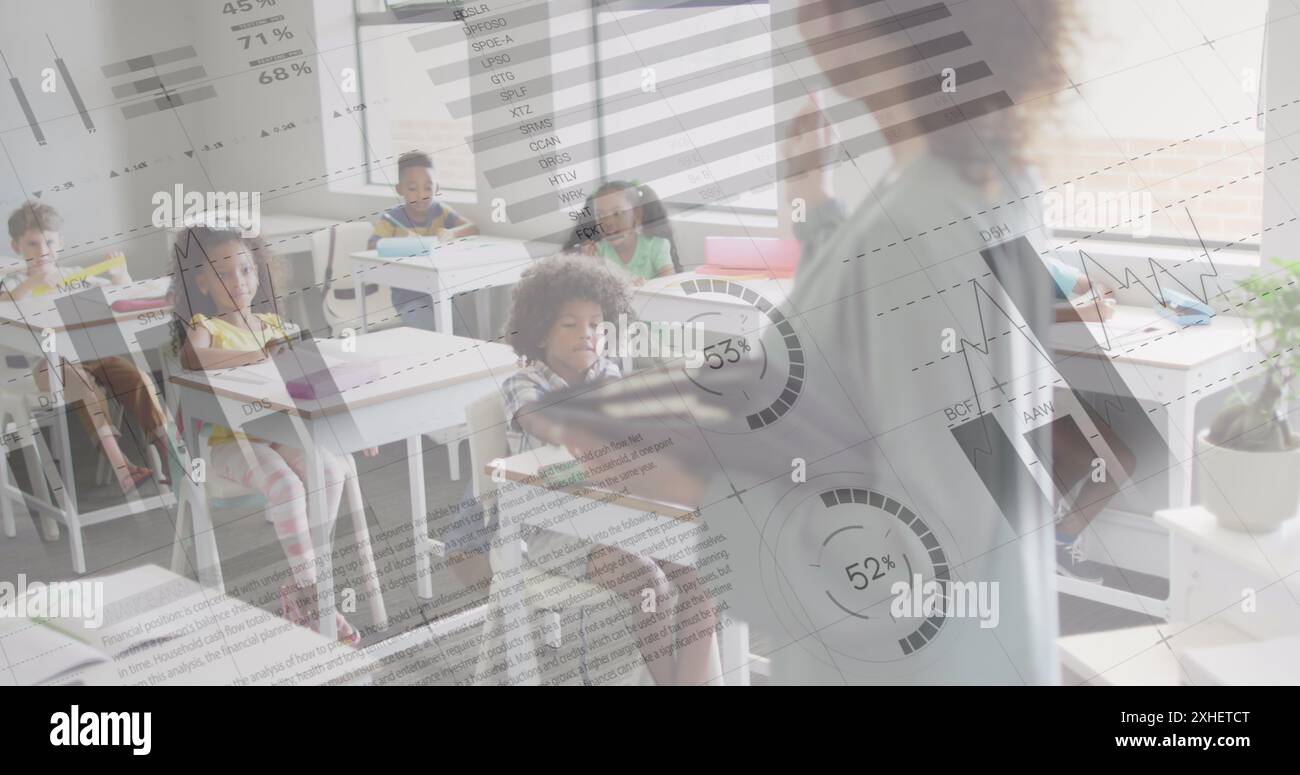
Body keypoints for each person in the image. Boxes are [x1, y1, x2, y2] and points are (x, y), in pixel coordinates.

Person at [562, 0, 1090, 685]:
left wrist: (696, 488)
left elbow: (913, 560)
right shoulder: (989, 178)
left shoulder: (914, 228)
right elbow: (864, 357)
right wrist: (814, 209)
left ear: (843, 24)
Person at [446, 255, 717, 685]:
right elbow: (537, 419)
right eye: (570, 324)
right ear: (539, 330)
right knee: (650, 583)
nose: (586, 335)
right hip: (546, 531)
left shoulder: (607, 374)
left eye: (595, 324)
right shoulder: (526, 383)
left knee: (704, 576)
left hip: (618, 515)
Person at [169, 226, 376, 645]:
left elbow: (312, 378)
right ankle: (316, 595)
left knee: (330, 471)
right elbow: (193, 356)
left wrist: (352, 429)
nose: (239, 282)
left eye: (246, 270)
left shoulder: (274, 324)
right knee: (285, 486)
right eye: (224, 274)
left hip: (278, 432)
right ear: (202, 282)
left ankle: (304, 586)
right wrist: (255, 354)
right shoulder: (205, 326)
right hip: (226, 443)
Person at [3, 202, 170, 493]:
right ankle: (122, 467)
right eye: (33, 243)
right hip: (46, 367)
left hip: (93, 356)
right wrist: (31, 283)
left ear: (61, 243)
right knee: (83, 383)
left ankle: (169, 453)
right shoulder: (15, 282)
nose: (43, 250)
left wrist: (120, 275)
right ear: (17, 246)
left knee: (137, 378)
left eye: (50, 242)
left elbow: (118, 294)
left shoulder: (74, 273)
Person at [368, 150, 479, 330]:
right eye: (413, 188)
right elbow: (372, 245)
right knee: (433, 335)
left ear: (437, 187)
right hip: (408, 298)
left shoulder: (440, 211)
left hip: (440, 293)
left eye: (428, 187)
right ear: (400, 189)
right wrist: (402, 241)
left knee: (462, 324)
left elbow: (472, 228)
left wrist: (452, 234)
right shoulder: (392, 218)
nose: (422, 195)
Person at [564, 181, 681, 284]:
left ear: (636, 215)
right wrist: (586, 265)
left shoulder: (657, 246)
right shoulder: (597, 252)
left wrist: (647, 287)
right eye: (600, 215)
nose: (608, 222)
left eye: (617, 213)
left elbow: (669, 286)